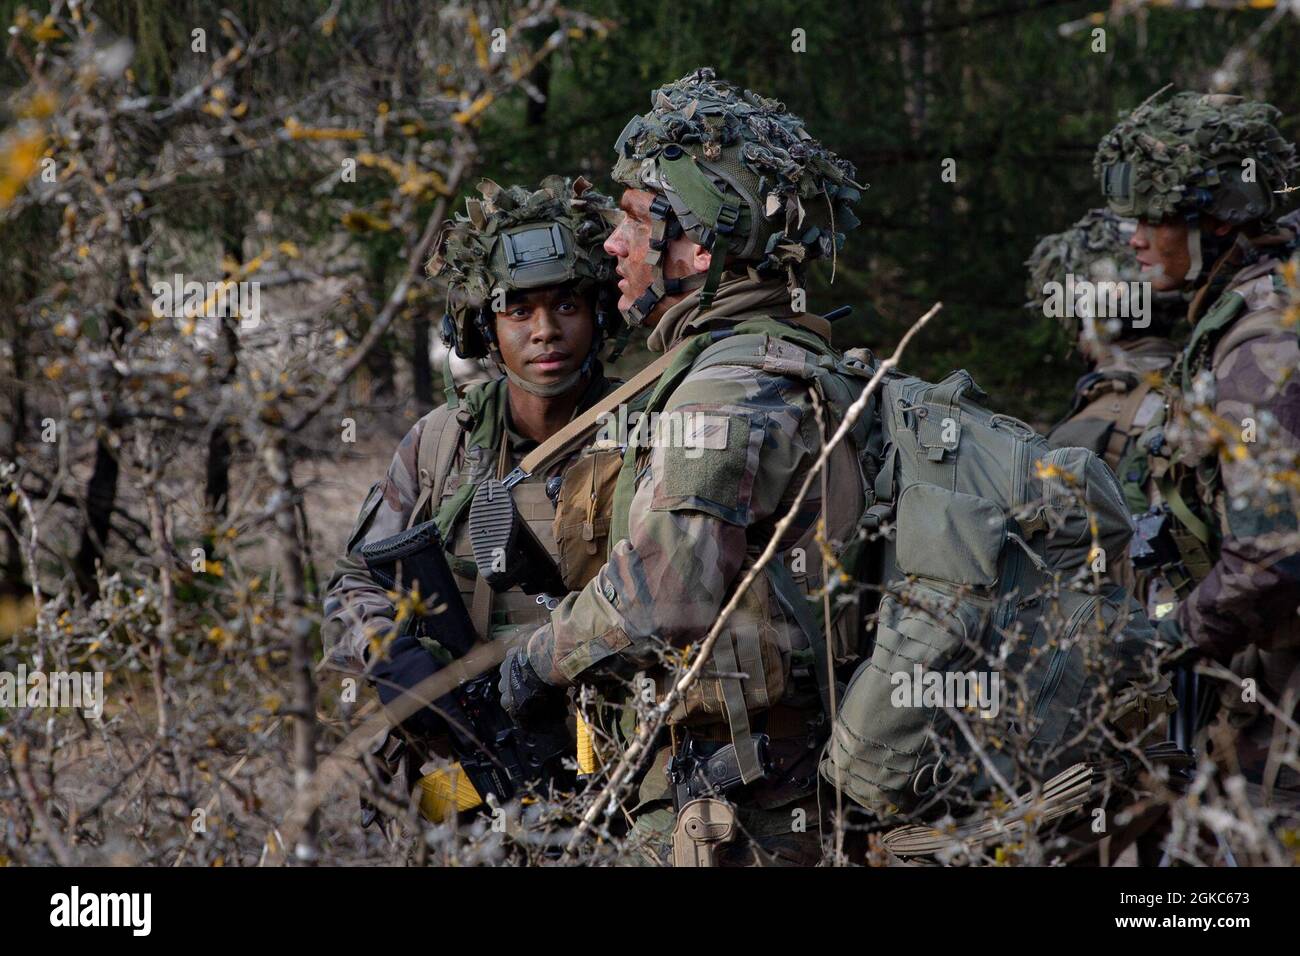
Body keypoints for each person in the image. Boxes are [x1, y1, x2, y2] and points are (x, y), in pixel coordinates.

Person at [496, 68, 865, 866]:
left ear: (697, 247)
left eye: (634, 221)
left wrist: (532, 661)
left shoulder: (725, 390)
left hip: (745, 810)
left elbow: (667, 589)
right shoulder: (774, 361)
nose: (614, 245)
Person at [322, 175, 623, 820]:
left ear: (598, 313)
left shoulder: (648, 433)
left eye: (566, 305)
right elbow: (354, 584)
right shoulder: (441, 444)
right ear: (485, 326)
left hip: (617, 764)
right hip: (468, 770)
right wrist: (389, 653)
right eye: (519, 310)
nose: (544, 330)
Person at [1094, 90, 1300, 820]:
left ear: (1217, 225)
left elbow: (1273, 553)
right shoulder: (1257, 312)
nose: (1136, 240)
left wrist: (1164, 641)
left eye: (1156, 220)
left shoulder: (1264, 340)